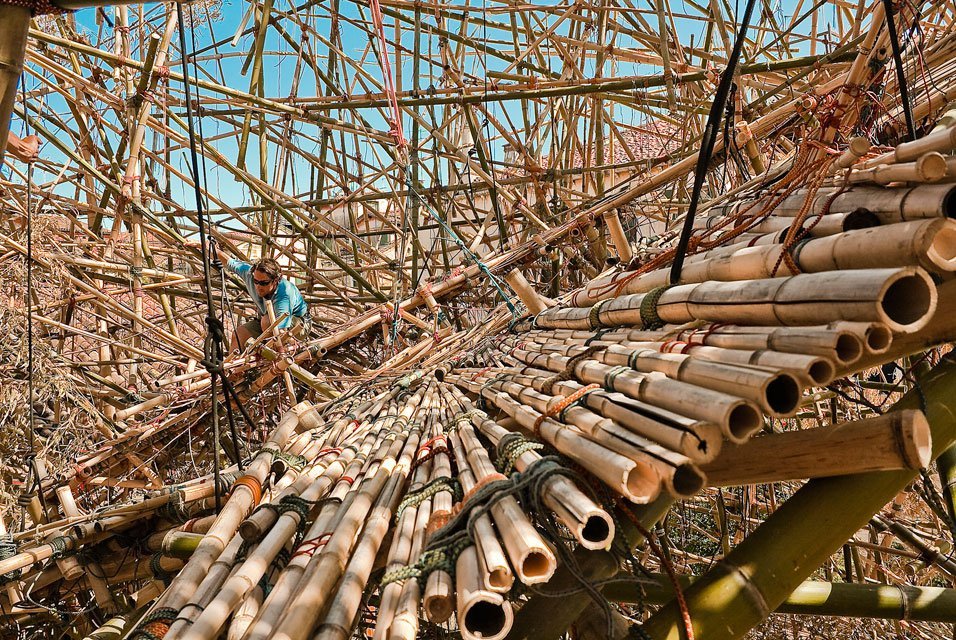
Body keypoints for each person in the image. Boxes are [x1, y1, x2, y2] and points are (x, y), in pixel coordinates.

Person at [186, 239, 310, 352]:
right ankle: (233, 371)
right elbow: (229, 262)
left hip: (296, 324)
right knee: (238, 334)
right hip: (266, 322)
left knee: (268, 322)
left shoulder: (284, 293)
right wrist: (205, 247)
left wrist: (260, 348)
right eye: (256, 281)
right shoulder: (249, 273)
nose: (258, 286)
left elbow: (281, 331)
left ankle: (267, 359)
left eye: (263, 283)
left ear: (276, 280)